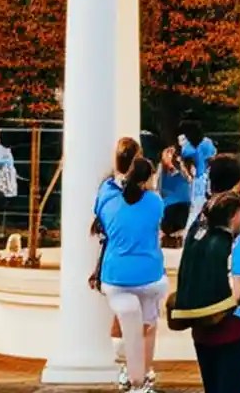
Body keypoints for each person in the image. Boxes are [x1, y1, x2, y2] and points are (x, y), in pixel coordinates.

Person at [184, 155, 240, 393]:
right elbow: (237, 291)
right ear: (239, 186)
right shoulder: (236, 240)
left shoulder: (198, 227)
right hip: (233, 326)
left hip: (201, 326)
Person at [98, 157, 167, 393]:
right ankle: (143, 377)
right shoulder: (155, 202)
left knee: (126, 321)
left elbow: (102, 197)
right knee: (148, 324)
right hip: (149, 275)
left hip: (115, 276)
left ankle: (129, 372)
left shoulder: (108, 200)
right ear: (147, 180)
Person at [92, 137, 145, 385]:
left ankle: (126, 367)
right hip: (129, 259)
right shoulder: (128, 191)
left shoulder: (106, 187)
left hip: (117, 259)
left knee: (126, 313)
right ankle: (126, 368)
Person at [180, 121, 217, 230]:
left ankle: (190, 230)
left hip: (196, 179)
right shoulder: (207, 143)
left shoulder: (187, 147)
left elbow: (186, 161)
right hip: (206, 176)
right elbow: (212, 159)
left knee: (195, 207)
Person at [157, 146, 192, 247]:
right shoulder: (168, 170)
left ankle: (172, 239)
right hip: (176, 204)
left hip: (175, 204)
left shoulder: (182, 168)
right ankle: (173, 239)